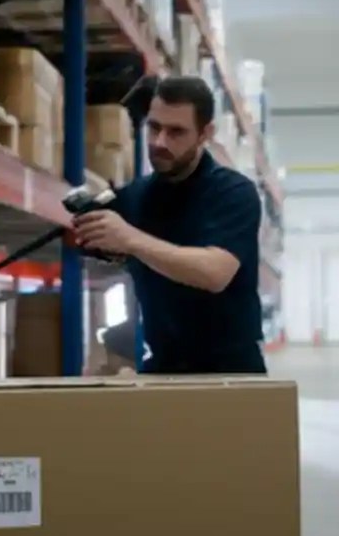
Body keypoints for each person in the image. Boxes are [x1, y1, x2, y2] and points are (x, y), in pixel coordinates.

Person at [73, 76, 266, 375]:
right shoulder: (135, 197)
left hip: (231, 373)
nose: (159, 142)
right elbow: (93, 253)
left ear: (205, 133)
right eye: (154, 127)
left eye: (176, 132)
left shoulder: (233, 193)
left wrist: (130, 239)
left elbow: (215, 273)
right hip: (164, 366)